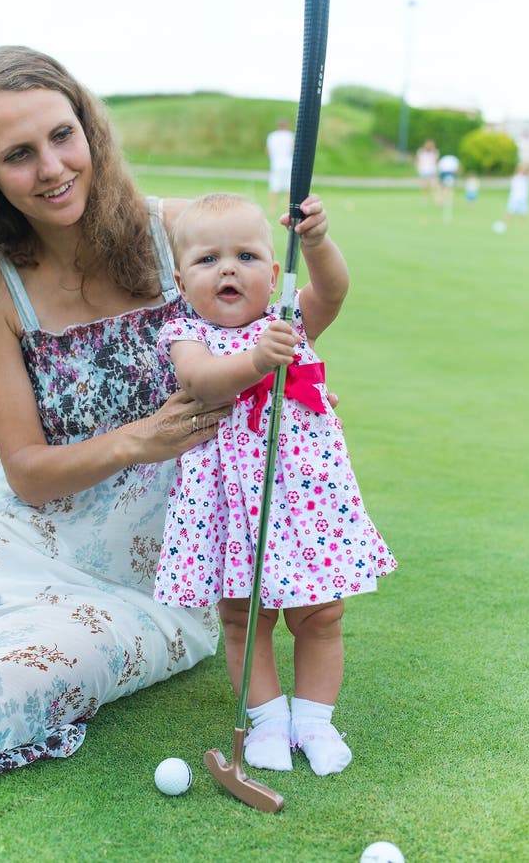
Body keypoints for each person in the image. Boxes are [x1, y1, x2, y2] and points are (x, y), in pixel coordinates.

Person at [0, 45, 238, 778]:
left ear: (89, 129)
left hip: (155, 580)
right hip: (14, 539)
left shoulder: (181, 236)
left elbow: (294, 324)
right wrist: (139, 440)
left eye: (62, 136)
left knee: (15, 687)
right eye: (18, 154)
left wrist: (313, 253)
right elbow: (29, 476)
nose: (52, 167)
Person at [153, 193, 398, 776]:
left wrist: (314, 243)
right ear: (183, 285)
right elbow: (205, 381)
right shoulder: (186, 333)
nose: (229, 268)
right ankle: (265, 720)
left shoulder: (288, 320)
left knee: (320, 614)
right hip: (231, 505)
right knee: (243, 616)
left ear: (272, 273)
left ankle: (314, 719)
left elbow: (334, 291)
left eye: (245, 255)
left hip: (303, 501)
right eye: (208, 260)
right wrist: (260, 360)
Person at [265, 119, 294, 213]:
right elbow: (293, 148)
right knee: (289, 187)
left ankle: (272, 208)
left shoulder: (272, 136)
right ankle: (289, 208)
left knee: (274, 186)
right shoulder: (290, 135)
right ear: (286, 126)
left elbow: (268, 151)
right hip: (288, 164)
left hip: (276, 164)